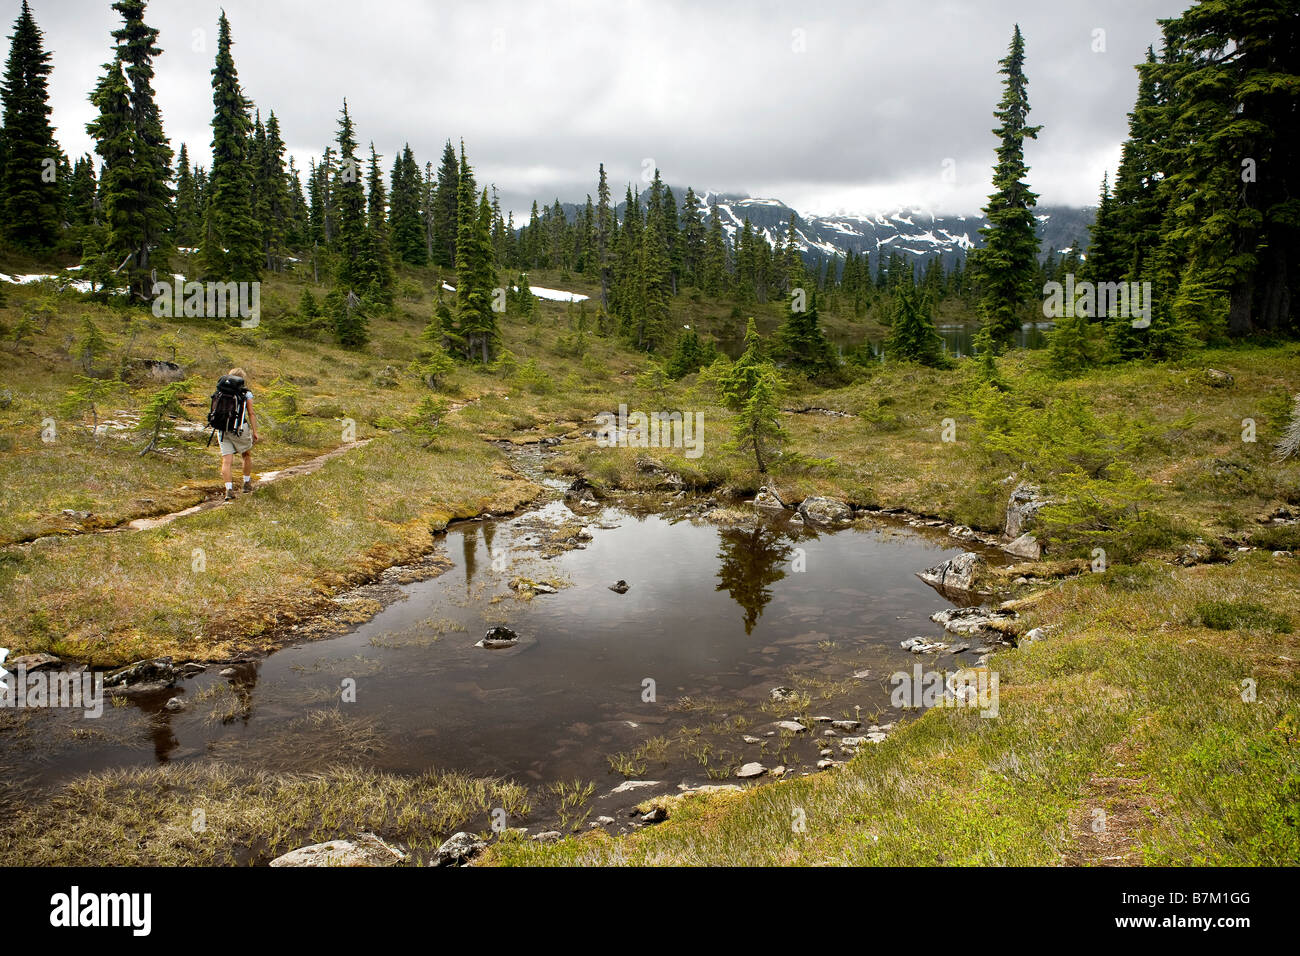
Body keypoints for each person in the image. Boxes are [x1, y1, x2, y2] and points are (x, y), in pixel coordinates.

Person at [217, 367, 258, 501]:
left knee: (226, 461)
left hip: (222, 429)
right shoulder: (246, 393)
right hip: (240, 428)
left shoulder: (220, 391)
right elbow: (251, 413)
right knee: (246, 454)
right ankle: (246, 483)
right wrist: (255, 431)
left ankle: (228, 490)